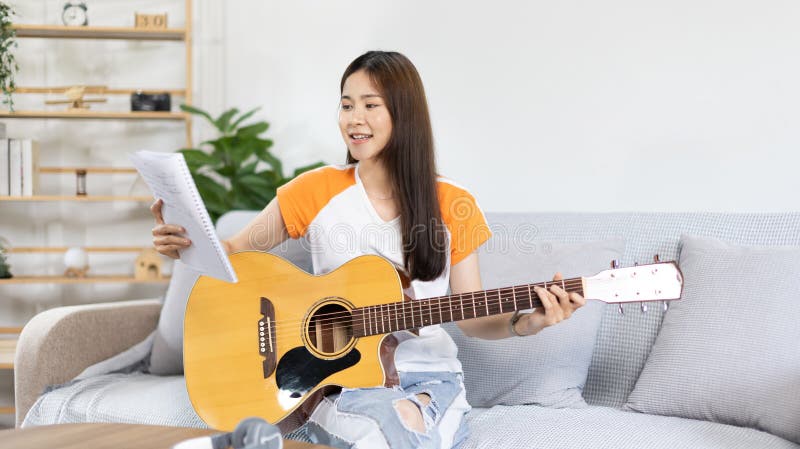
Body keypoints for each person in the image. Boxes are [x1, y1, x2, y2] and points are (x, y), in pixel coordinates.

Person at [151, 50, 585, 449]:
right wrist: (185, 242)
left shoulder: (454, 204)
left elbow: (471, 319)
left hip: (431, 380)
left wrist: (527, 322)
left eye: (370, 105)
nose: (354, 119)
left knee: (405, 427)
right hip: (342, 382)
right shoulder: (314, 190)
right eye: (346, 105)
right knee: (385, 431)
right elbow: (232, 253)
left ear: (404, 114)